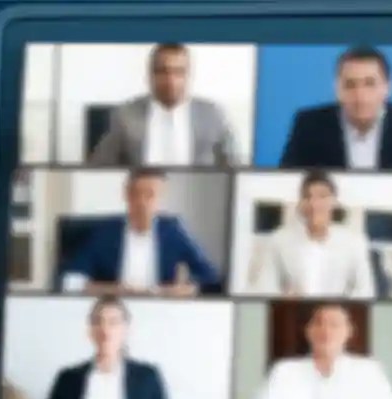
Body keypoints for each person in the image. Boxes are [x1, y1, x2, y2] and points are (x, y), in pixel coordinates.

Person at [278, 45, 392, 171]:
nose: (360, 95)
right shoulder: (308, 125)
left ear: (387, 87)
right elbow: (287, 182)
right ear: (337, 89)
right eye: (350, 85)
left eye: (370, 84)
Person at [61, 168, 221, 296]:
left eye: (150, 195)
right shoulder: (105, 232)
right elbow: (70, 281)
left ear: (161, 197)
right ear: (126, 195)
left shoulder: (173, 230)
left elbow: (211, 278)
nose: (141, 202)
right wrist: (114, 290)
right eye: (136, 194)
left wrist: (182, 290)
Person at [87, 43, 240, 167]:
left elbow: (234, 166)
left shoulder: (212, 114)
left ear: (188, 75)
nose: (171, 81)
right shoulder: (125, 115)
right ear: (150, 75)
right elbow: (99, 166)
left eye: (178, 72)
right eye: (163, 72)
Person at [253, 304, 392, 399]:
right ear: (308, 330)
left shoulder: (370, 372)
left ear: (349, 331)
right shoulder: (284, 371)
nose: (325, 330)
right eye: (319, 323)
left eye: (334, 325)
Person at [45, 296, 169, 399]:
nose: (105, 330)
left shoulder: (147, 378)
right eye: (98, 322)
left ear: (126, 330)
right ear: (90, 330)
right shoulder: (67, 379)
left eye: (113, 322)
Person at [255, 170, 374, 299]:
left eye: (322, 197)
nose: (314, 204)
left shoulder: (354, 243)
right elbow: (264, 288)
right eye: (308, 197)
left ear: (334, 201)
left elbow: (365, 291)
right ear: (301, 202)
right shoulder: (280, 240)